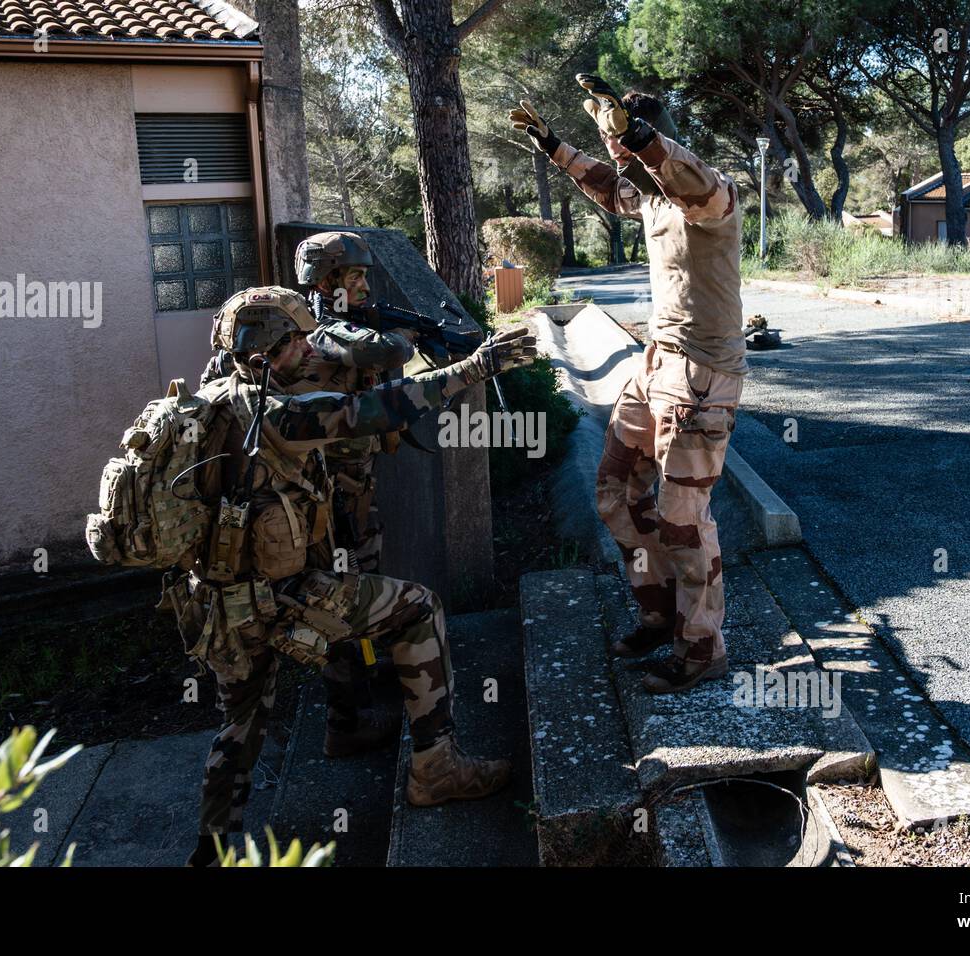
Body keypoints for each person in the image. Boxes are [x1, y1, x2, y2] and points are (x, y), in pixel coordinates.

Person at [169, 286, 535, 865]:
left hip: (219, 603)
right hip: (280, 598)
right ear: (269, 353)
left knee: (241, 722)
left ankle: (210, 851)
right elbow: (380, 408)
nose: (310, 348)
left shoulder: (211, 397)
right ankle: (435, 769)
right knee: (417, 608)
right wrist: (477, 366)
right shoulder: (280, 416)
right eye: (298, 341)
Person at [510, 75, 748, 694]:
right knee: (615, 491)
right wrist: (556, 147)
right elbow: (610, 189)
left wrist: (640, 137)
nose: (615, 154)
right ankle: (660, 613)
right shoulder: (648, 198)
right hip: (654, 365)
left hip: (701, 378)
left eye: (620, 141)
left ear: (650, 137)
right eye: (611, 141)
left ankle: (702, 649)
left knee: (682, 519)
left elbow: (692, 181)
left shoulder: (712, 196)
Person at [288, 230, 413, 758]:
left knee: (362, 588)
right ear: (326, 282)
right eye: (355, 277)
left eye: (364, 276)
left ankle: (367, 678)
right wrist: (404, 338)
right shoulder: (319, 332)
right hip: (328, 508)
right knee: (339, 601)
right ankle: (344, 723)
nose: (364, 286)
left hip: (354, 497)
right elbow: (378, 349)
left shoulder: (338, 325)